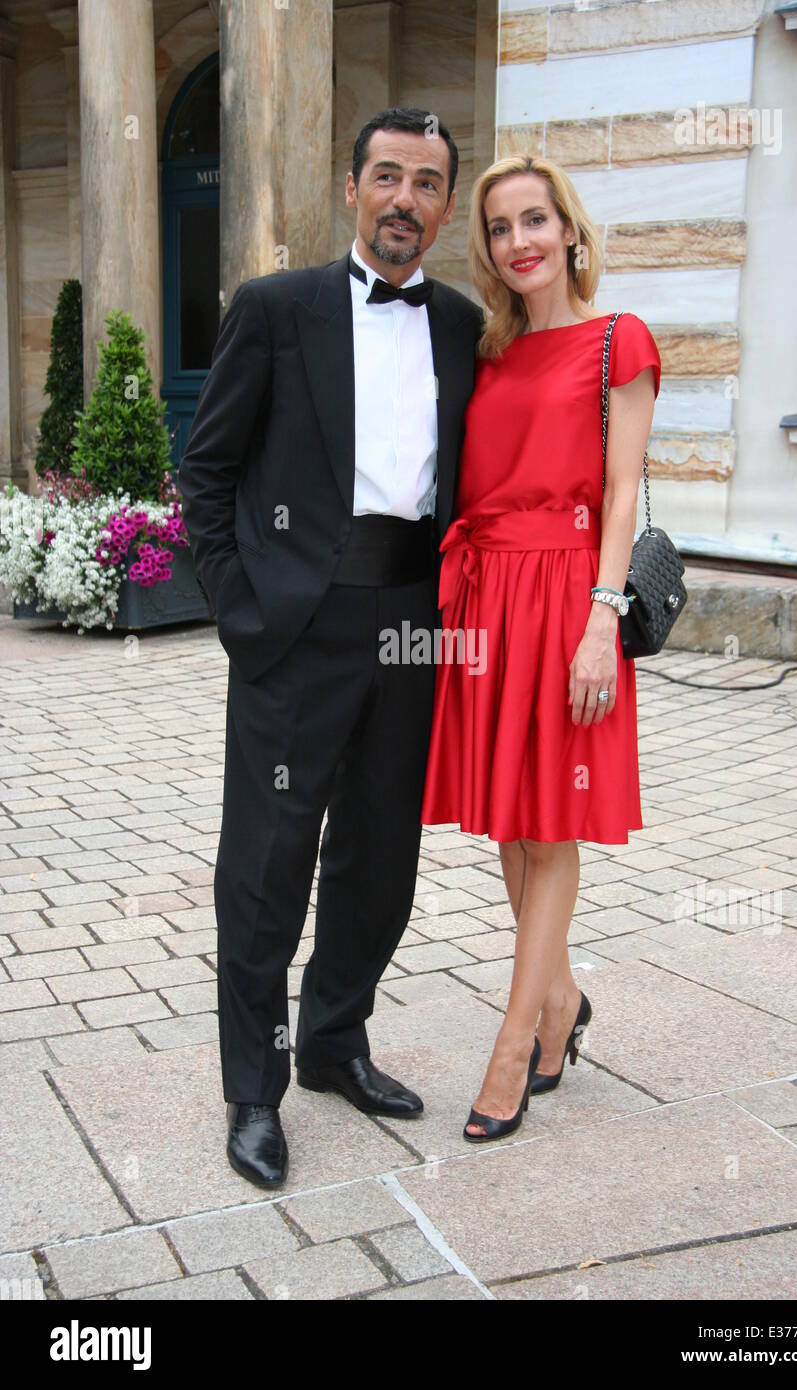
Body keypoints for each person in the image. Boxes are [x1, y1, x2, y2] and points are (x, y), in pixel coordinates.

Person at [178, 107, 484, 1188]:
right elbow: (203, 476)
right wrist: (241, 610)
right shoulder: (272, 309)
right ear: (350, 186)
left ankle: (333, 1043)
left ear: (445, 206)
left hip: (409, 619)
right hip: (294, 629)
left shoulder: (458, 321)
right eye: (388, 176)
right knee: (267, 863)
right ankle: (252, 1090)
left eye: (428, 183)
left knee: (377, 853)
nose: (406, 199)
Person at [421, 154, 661, 1142]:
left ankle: (514, 1039)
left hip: (567, 595)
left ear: (568, 229)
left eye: (533, 219)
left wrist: (601, 620)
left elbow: (617, 495)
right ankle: (559, 1000)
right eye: (497, 228)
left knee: (549, 821)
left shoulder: (617, 341)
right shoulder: (488, 351)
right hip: (486, 590)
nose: (516, 241)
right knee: (510, 823)